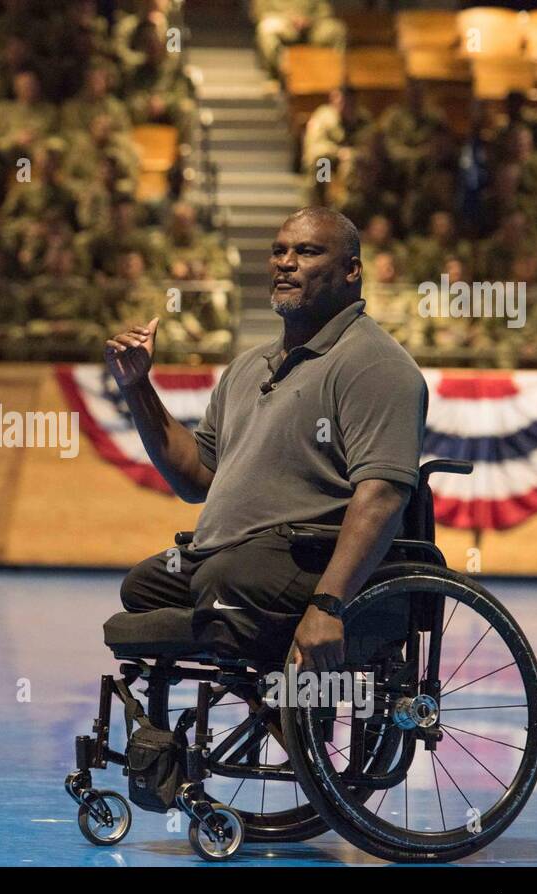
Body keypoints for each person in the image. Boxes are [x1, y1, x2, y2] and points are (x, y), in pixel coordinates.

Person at [105, 206, 427, 667]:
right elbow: (197, 476)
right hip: (227, 557)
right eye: (279, 251)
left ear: (351, 270)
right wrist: (137, 387)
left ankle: (281, 706)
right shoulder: (247, 366)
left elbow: (382, 496)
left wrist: (328, 604)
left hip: (307, 556)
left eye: (307, 251)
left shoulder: (376, 365)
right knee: (145, 586)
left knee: (225, 579)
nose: (285, 262)